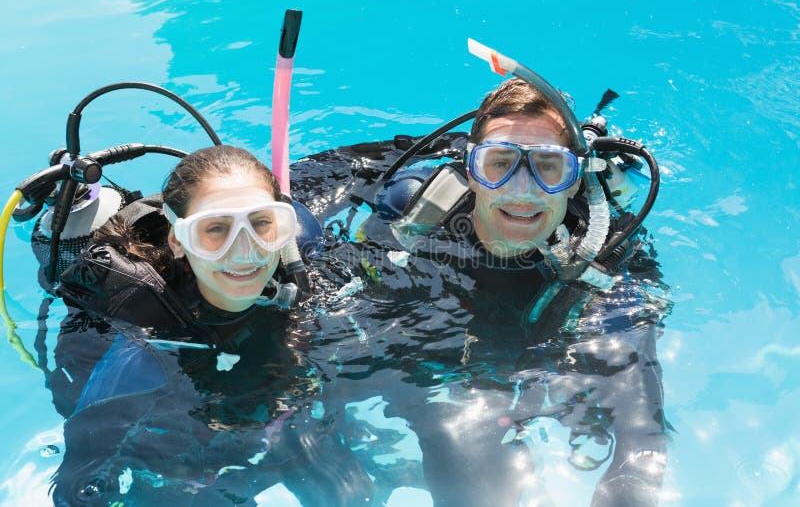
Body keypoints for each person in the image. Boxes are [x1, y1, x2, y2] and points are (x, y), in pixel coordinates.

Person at [288, 70, 670, 506]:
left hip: (543, 335)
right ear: (470, 169)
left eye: (548, 167)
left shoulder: (604, 247)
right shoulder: (424, 211)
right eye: (499, 164)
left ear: (576, 176)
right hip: (436, 334)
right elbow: (317, 175)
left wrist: (631, 482)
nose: (522, 192)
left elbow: (640, 415)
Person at [49, 145, 375, 505]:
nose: (245, 251)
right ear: (178, 240)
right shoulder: (137, 336)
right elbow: (80, 477)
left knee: (354, 493)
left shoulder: (299, 257)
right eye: (216, 229)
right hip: (166, 377)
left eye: (262, 222)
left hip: (249, 368)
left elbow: (340, 170)